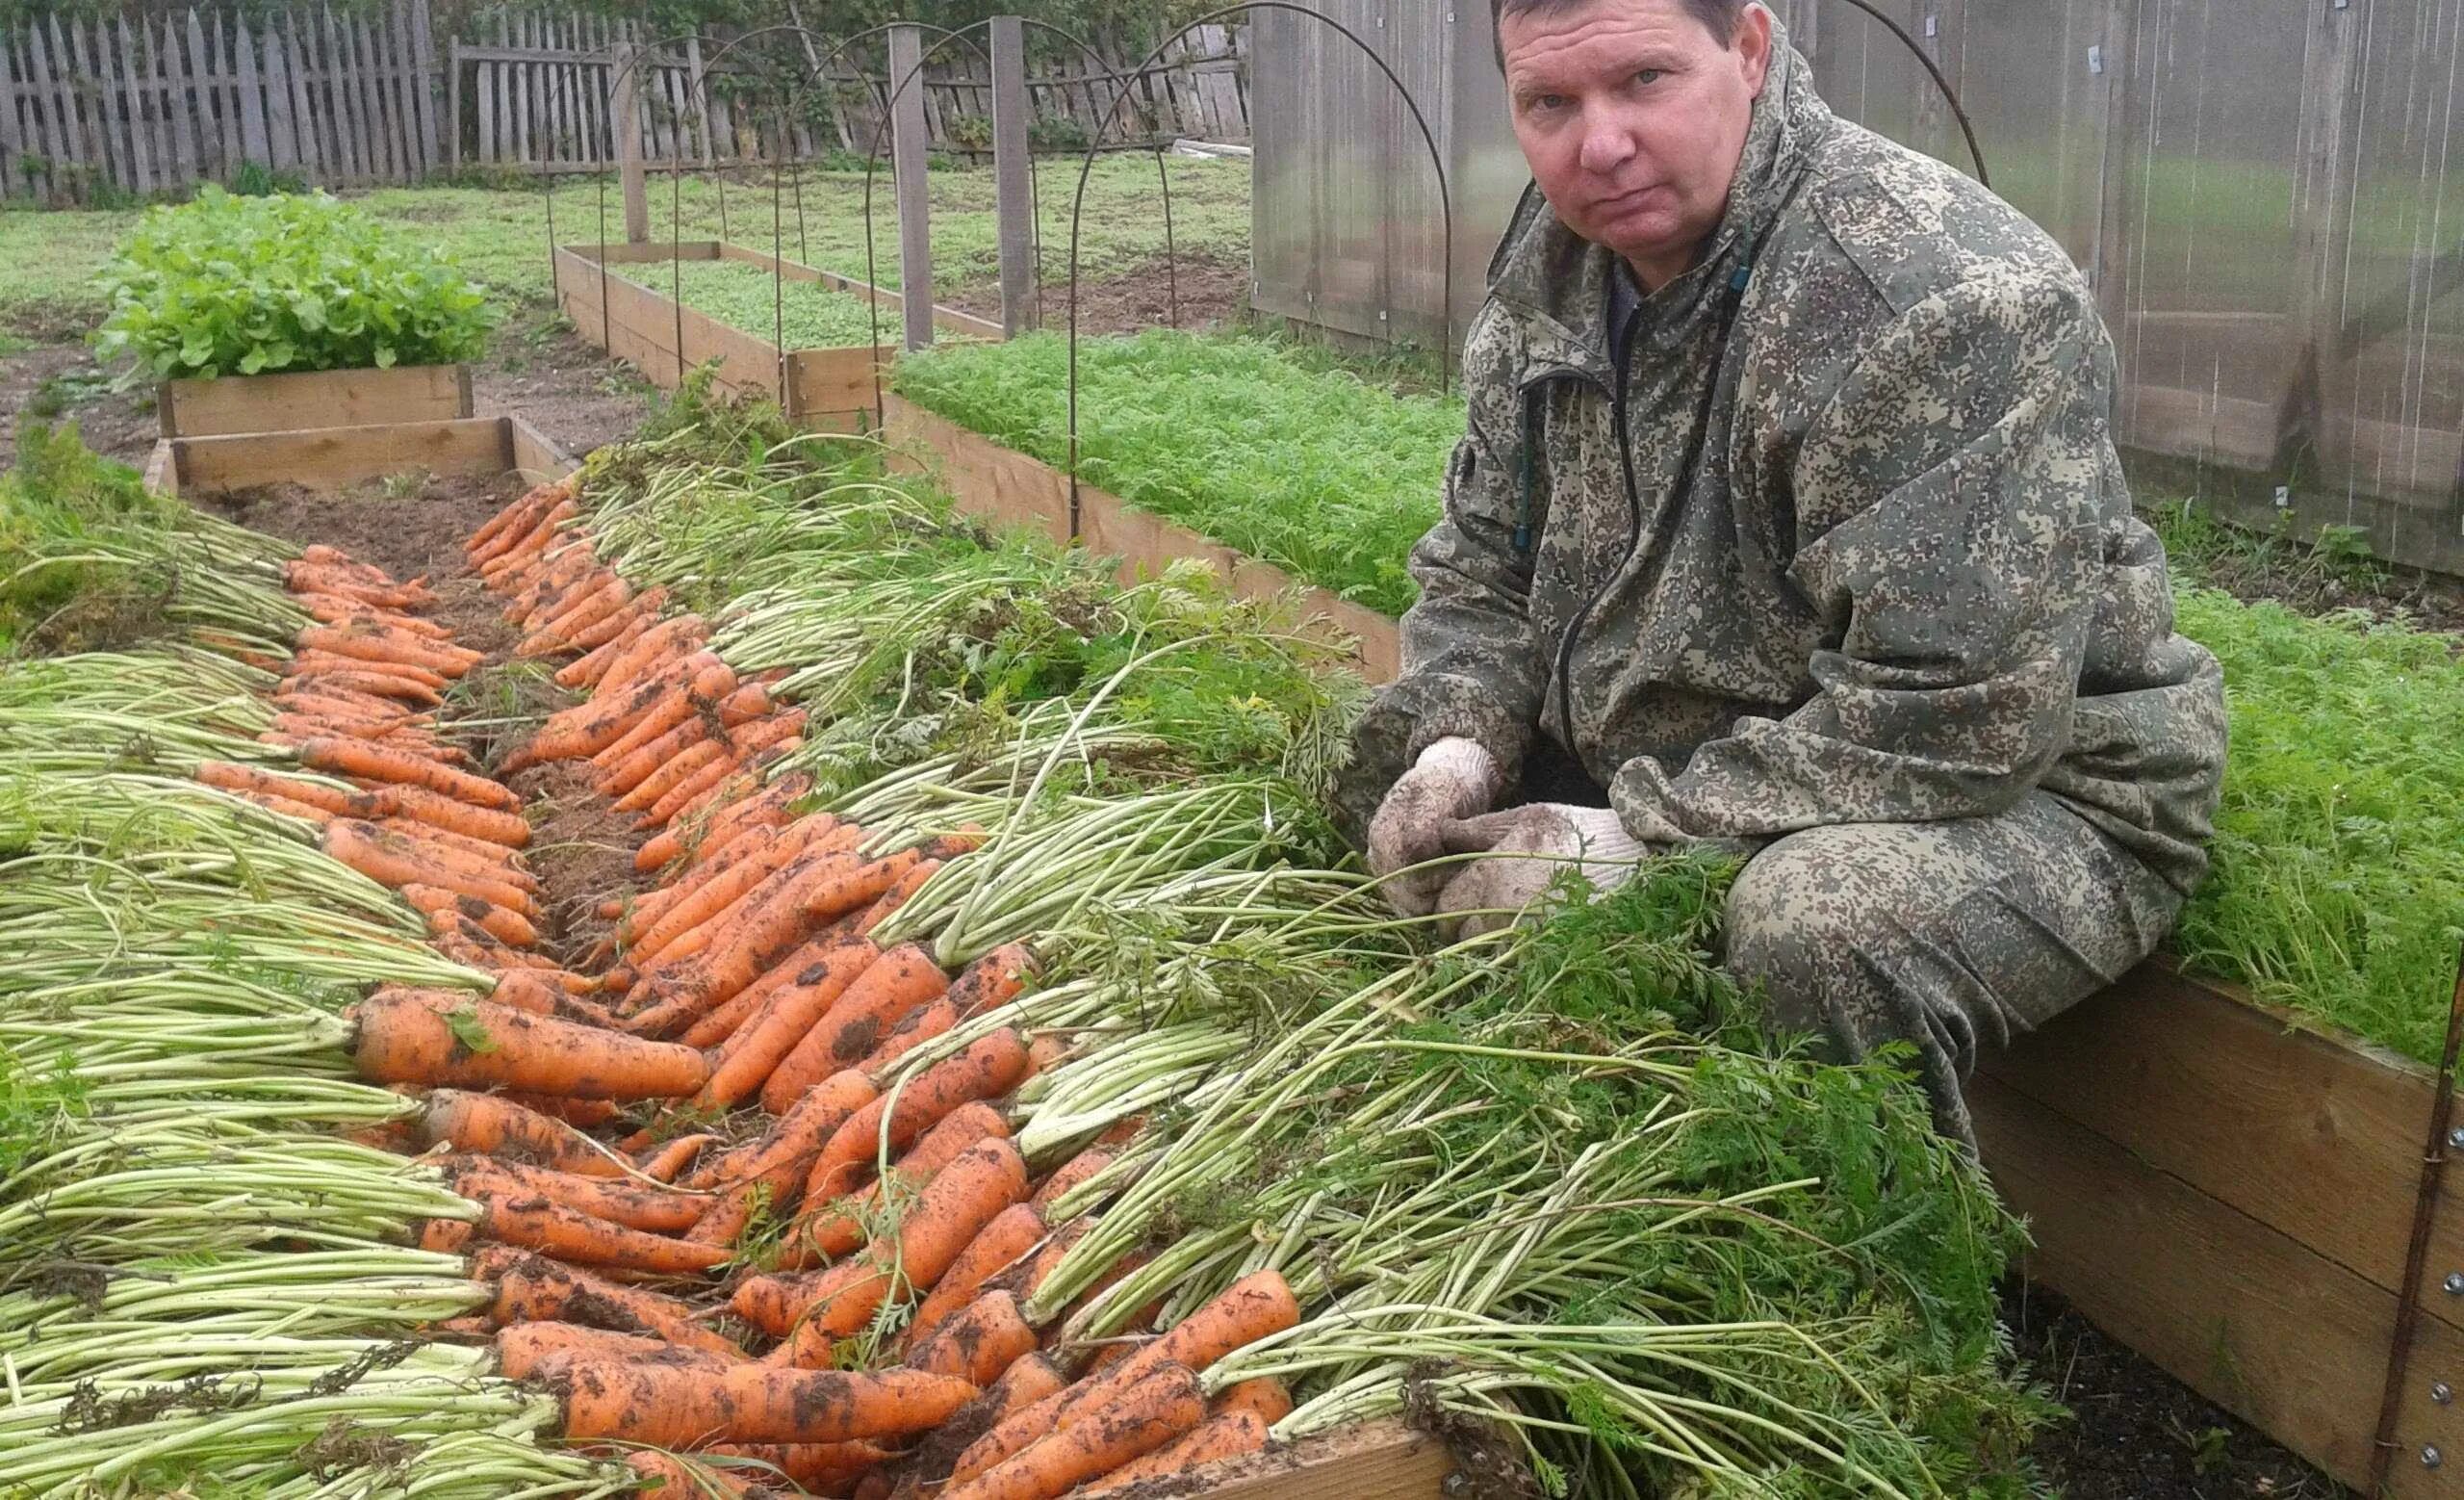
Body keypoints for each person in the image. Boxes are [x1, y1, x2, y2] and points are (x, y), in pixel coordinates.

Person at [1338, 0, 2229, 1146]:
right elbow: (1482, 561)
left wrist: (1631, 841)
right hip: (1712, 745)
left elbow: (1962, 719)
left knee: (1810, 928)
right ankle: (1544, 1147)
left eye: (1644, 80)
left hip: (2025, 784)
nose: (1597, 145)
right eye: (1548, 103)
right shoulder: (1563, 263)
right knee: (1386, 779)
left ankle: (1870, 1280)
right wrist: (1461, 738)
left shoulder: (1933, 298)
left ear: (1749, 51)